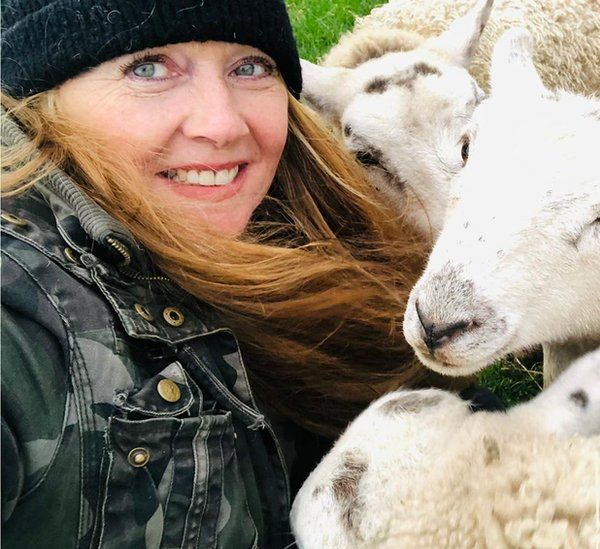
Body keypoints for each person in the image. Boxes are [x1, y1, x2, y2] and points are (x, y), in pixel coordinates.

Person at [0, 1, 463, 545]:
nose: (222, 124)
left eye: (250, 66)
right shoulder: (19, 323)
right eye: (148, 68)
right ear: (39, 97)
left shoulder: (308, 214)